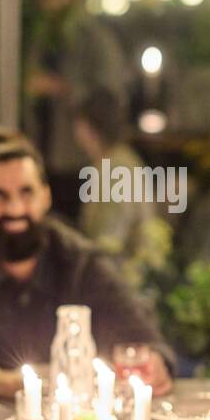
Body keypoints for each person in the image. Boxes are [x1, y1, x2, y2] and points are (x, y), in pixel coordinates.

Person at [0, 127, 173, 391]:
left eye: (26, 193)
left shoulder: (84, 266)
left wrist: (154, 364)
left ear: (45, 196)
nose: (15, 209)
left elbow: (145, 342)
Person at [22, 0, 129, 219]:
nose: (48, 0)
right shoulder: (39, 36)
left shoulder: (94, 38)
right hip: (42, 151)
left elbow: (109, 96)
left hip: (78, 156)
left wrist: (63, 88)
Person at [73, 86, 164, 277]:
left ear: (89, 127)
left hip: (123, 282)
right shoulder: (114, 162)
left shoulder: (117, 168)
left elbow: (108, 240)